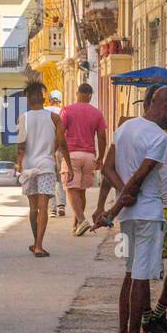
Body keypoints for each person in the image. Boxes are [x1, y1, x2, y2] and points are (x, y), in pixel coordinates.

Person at [93, 85, 167, 333]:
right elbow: (138, 178)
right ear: (164, 106)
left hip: (131, 214)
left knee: (131, 273)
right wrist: (112, 208)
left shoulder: (124, 129)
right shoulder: (158, 137)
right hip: (147, 213)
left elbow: (109, 169)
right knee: (141, 276)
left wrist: (118, 204)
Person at [16, 81, 70, 257]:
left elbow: (21, 146)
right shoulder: (54, 118)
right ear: (43, 98)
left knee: (33, 209)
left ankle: (35, 242)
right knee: (44, 207)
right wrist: (69, 165)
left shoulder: (24, 118)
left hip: (29, 166)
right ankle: (38, 244)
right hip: (46, 166)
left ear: (28, 100)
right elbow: (62, 142)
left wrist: (18, 164)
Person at [59, 82, 107, 235]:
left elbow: (59, 134)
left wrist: (57, 150)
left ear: (77, 93)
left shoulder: (67, 111)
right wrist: (100, 157)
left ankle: (81, 220)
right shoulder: (97, 113)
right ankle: (76, 226)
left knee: (71, 189)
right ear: (90, 96)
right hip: (89, 156)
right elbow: (102, 137)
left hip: (72, 154)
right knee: (81, 192)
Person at [46, 89, 68, 217]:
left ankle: (52, 208)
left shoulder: (43, 111)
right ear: (60, 101)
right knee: (61, 178)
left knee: (50, 178)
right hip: (60, 148)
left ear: (49, 99)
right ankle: (61, 206)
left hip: (47, 149)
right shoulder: (63, 111)